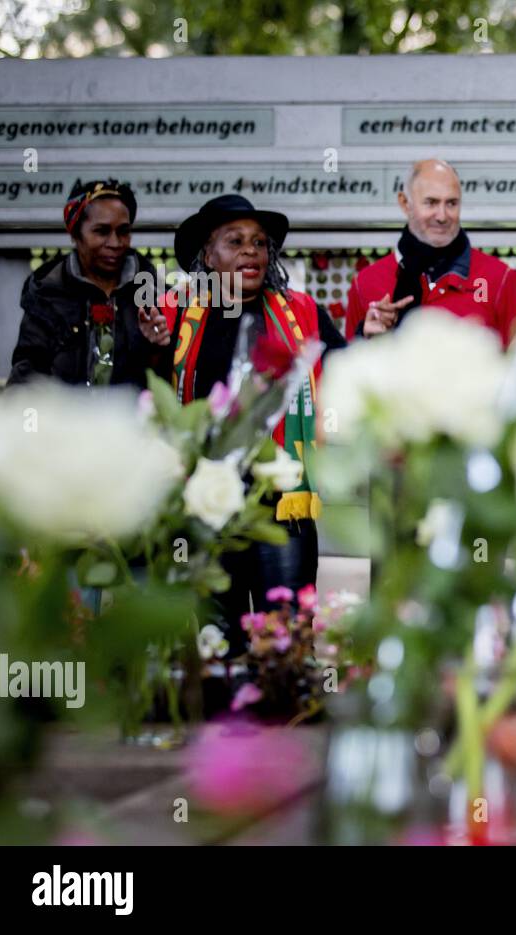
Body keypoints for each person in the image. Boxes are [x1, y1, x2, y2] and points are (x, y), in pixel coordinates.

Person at [167, 194, 347, 645]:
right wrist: (149, 343)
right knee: (217, 638)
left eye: (259, 243)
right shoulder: (173, 315)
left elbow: (348, 370)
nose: (251, 251)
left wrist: (370, 337)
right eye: (235, 241)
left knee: (282, 637)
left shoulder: (302, 313)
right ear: (208, 256)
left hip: (280, 504)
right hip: (205, 506)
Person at [8, 179, 171, 387]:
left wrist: (157, 349)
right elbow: (27, 372)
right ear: (76, 234)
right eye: (101, 231)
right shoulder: (47, 294)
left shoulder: (153, 293)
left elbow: (173, 381)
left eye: (123, 231)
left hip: (132, 418)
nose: (115, 243)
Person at [345, 158, 516, 347]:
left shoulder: (500, 279)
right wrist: (364, 337)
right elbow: (348, 370)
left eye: (451, 203)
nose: (442, 216)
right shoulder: (366, 283)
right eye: (431, 203)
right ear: (405, 203)